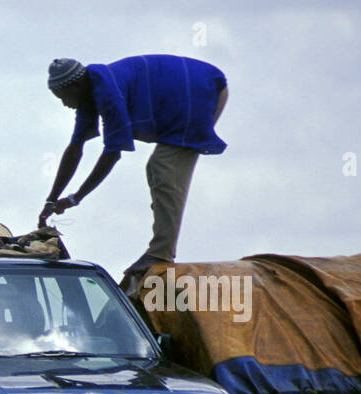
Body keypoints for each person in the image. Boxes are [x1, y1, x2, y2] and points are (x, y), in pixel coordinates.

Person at [38, 55, 229, 291]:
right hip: (186, 94)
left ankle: (161, 254)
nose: (65, 104)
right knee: (158, 169)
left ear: (75, 86)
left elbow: (112, 154)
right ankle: (161, 248)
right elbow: (75, 148)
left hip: (197, 91)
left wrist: (77, 197)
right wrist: (52, 199)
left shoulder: (108, 91)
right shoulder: (89, 94)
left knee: (164, 168)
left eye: (64, 97)